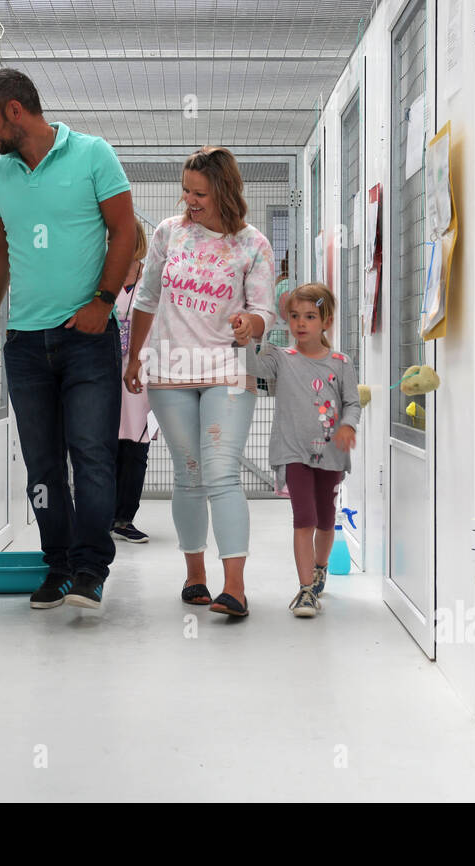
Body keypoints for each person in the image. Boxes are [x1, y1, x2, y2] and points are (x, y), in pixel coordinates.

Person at [0, 68, 136, 611]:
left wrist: (103, 302)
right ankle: (57, 564)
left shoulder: (93, 155)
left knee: (91, 456)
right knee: (42, 464)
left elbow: (125, 231)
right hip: (24, 345)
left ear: (16, 111)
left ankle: (91, 568)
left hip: (87, 338)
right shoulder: (0, 175)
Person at [124, 146, 275, 617]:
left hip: (227, 372)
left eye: (199, 192)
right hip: (169, 372)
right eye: (186, 190)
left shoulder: (253, 244)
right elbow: (146, 299)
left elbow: (264, 310)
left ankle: (235, 588)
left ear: (224, 191)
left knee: (222, 473)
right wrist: (134, 360)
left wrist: (251, 324)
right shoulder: (169, 234)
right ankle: (195, 577)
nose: (189, 199)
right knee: (188, 476)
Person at [241, 282, 360, 617]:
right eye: (294, 316)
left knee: (325, 519)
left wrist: (349, 425)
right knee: (303, 518)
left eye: (309, 316)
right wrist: (245, 341)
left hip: (331, 454)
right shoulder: (280, 357)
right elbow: (253, 368)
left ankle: (320, 568)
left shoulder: (340, 363)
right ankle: (306, 590)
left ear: (326, 321)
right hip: (293, 451)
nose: (300, 323)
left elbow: (352, 402)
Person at [113, 222, 154, 544]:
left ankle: (124, 519)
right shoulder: (98, 276)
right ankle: (101, 516)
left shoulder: (152, 280)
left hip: (142, 371)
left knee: (136, 446)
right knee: (101, 444)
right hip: (101, 369)